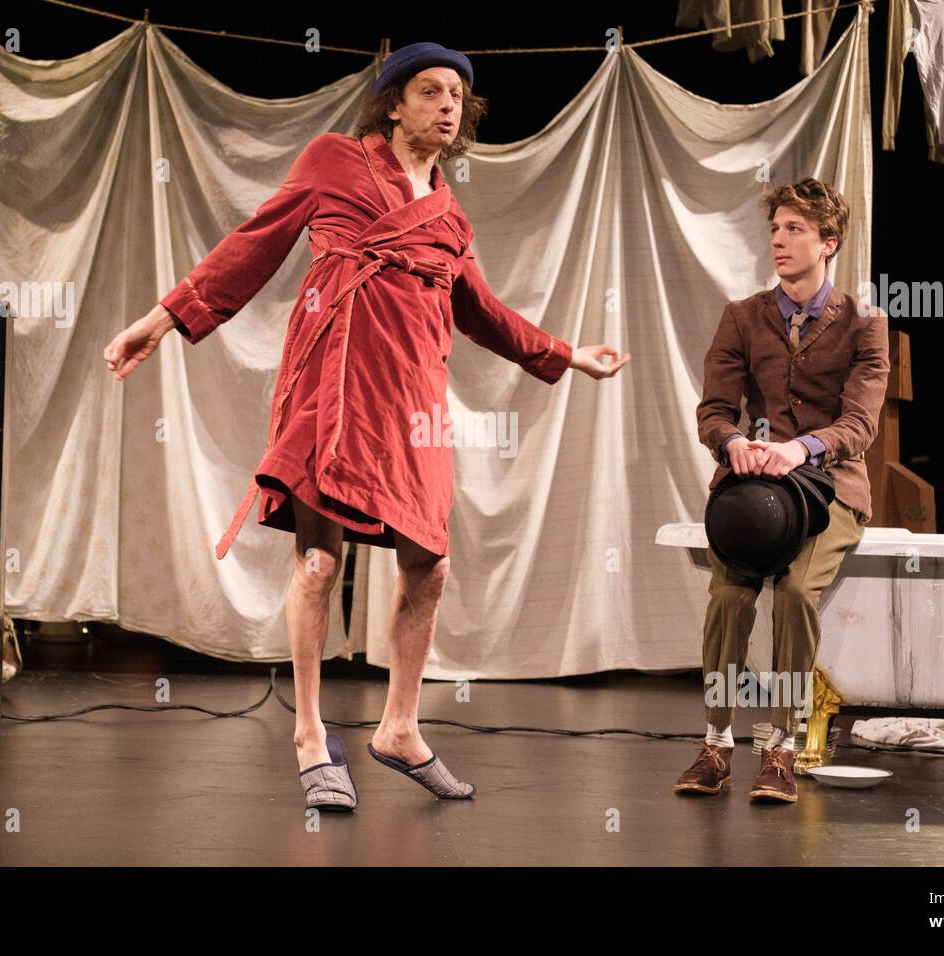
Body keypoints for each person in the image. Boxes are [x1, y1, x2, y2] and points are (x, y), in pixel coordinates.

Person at [103, 42, 629, 810]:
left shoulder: (449, 216)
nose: (448, 105)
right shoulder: (334, 160)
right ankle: (312, 736)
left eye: (458, 95)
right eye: (431, 90)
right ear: (393, 102)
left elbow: (479, 310)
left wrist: (568, 354)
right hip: (336, 381)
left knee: (433, 565)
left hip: (413, 400)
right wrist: (163, 318)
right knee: (319, 563)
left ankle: (400, 727)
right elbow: (252, 245)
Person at [680, 178, 889, 803]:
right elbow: (713, 410)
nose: (779, 240)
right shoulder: (742, 317)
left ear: (828, 242)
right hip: (752, 490)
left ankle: (781, 748)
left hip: (828, 490)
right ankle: (716, 744)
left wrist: (800, 448)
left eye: (794, 229)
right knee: (730, 600)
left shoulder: (864, 324)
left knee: (795, 593)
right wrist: (734, 444)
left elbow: (860, 425)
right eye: (775, 230)